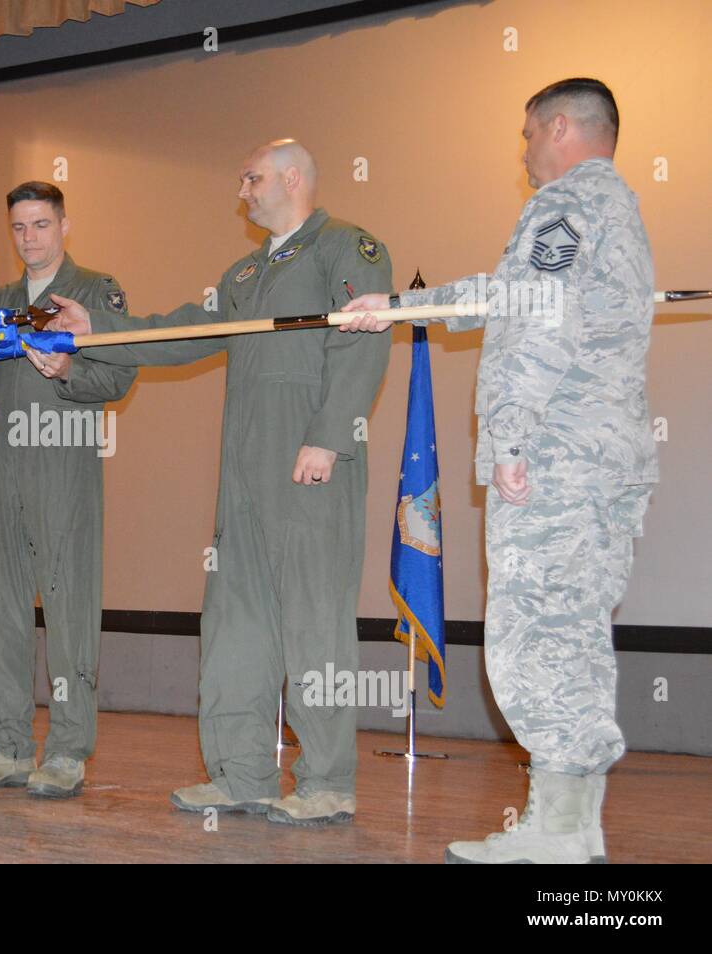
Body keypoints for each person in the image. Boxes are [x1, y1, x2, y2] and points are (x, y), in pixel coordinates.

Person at [342, 78, 657, 863]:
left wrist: (511, 436)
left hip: (557, 457)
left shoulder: (565, 205)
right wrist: (404, 307)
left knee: (539, 640)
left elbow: (538, 323)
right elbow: (513, 295)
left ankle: (558, 829)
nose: (523, 153)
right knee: (573, 638)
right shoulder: (612, 207)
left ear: (558, 126)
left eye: (526, 135)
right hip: (597, 463)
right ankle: (570, 828)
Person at [50, 142, 391, 823]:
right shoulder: (244, 273)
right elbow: (187, 331)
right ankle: (241, 775)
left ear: (293, 179)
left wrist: (328, 436)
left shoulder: (348, 247)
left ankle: (325, 782)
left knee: (315, 622)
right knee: (235, 621)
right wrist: (100, 331)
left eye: (253, 178)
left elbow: (364, 337)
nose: (243, 190)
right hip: (244, 478)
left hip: (311, 466)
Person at [0, 182, 135, 798]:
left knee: (69, 610)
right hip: (3, 460)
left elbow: (121, 372)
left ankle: (65, 751)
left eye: (40, 224)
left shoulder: (96, 289)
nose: (29, 237)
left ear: (65, 225)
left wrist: (71, 371)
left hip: (64, 458)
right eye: (20, 228)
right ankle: (5, 745)